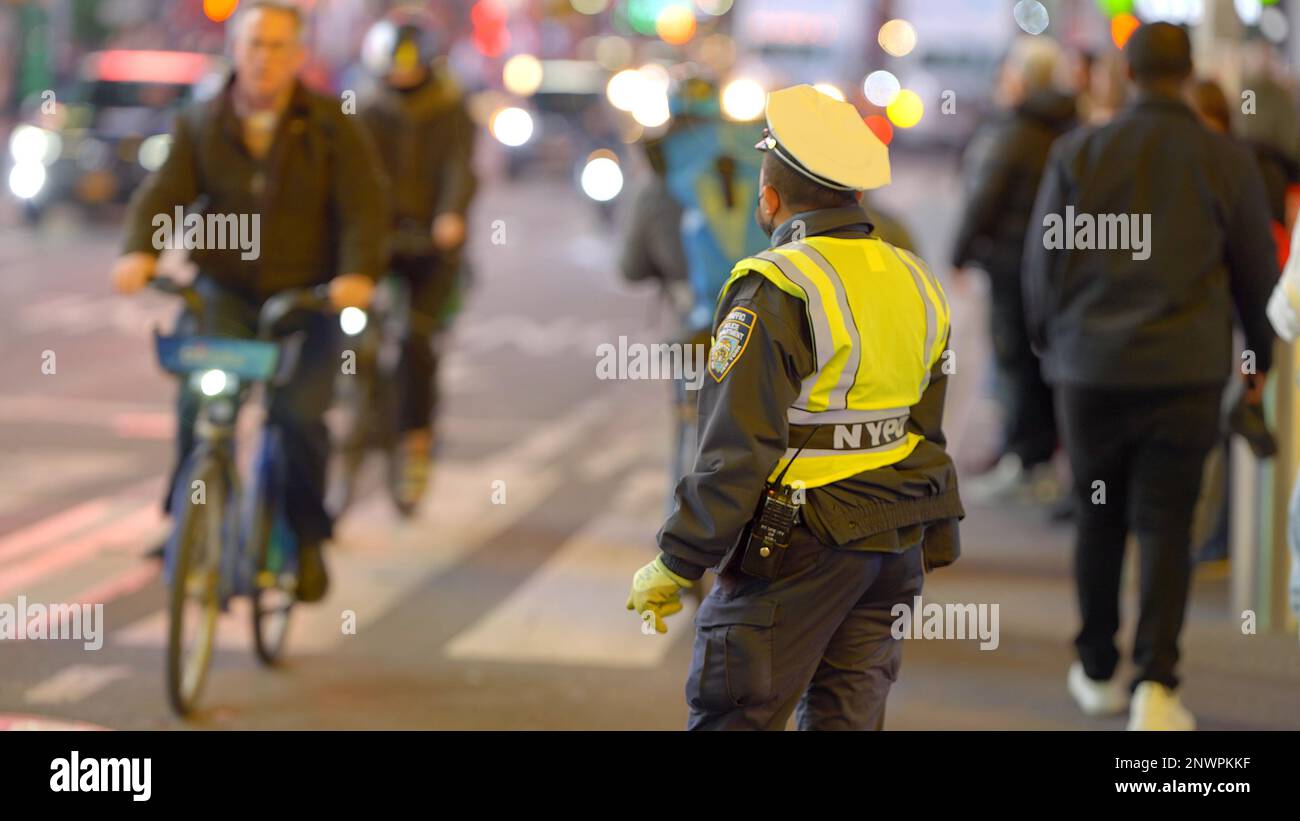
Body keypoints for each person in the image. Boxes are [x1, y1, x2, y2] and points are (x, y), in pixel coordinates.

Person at [625, 85, 963, 730]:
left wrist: (677, 560)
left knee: (736, 714)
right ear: (858, 195)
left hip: (801, 543)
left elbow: (735, 449)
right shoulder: (915, 279)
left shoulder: (777, 285)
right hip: (893, 540)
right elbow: (924, 425)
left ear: (771, 198)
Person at [1023, 22, 1278, 730]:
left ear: (1126, 74)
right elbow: (1257, 276)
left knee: (1097, 516)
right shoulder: (1226, 159)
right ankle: (1156, 687)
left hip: (1090, 371)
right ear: (1189, 73)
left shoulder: (1080, 151)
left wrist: (1051, 342)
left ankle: (1098, 668)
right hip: (1185, 372)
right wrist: (1258, 361)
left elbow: (1042, 264)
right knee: (1167, 525)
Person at [110, 0, 388, 601]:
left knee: (297, 418)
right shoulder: (202, 121)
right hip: (224, 294)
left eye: (278, 46)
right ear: (236, 49)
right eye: (255, 44)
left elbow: (364, 211)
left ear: (298, 55)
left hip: (307, 301)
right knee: (199, 404)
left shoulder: (332, 124)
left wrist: (357, 274)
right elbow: (164, 194)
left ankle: (308, 538)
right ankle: (189, 519)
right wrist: (141, 252)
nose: (265, 57)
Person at [357, 7, 477, 509]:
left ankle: (415, 444)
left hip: (433, 245)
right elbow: (354, 174)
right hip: (376, 239)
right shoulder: (364, 108)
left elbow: (459, 168)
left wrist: (450, 216)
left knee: (417, 341)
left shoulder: (450, 107)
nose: (402, 73)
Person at [952, 36, 1075, 500]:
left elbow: (987, 195)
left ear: (1021, 80)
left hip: (1009, 262)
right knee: (1037, 357)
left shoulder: (1016, 130)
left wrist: (960, 252)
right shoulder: (1069, 124)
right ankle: (1034, 456)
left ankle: (1023, 455)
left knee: (1013, 358)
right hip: (1055, 262)